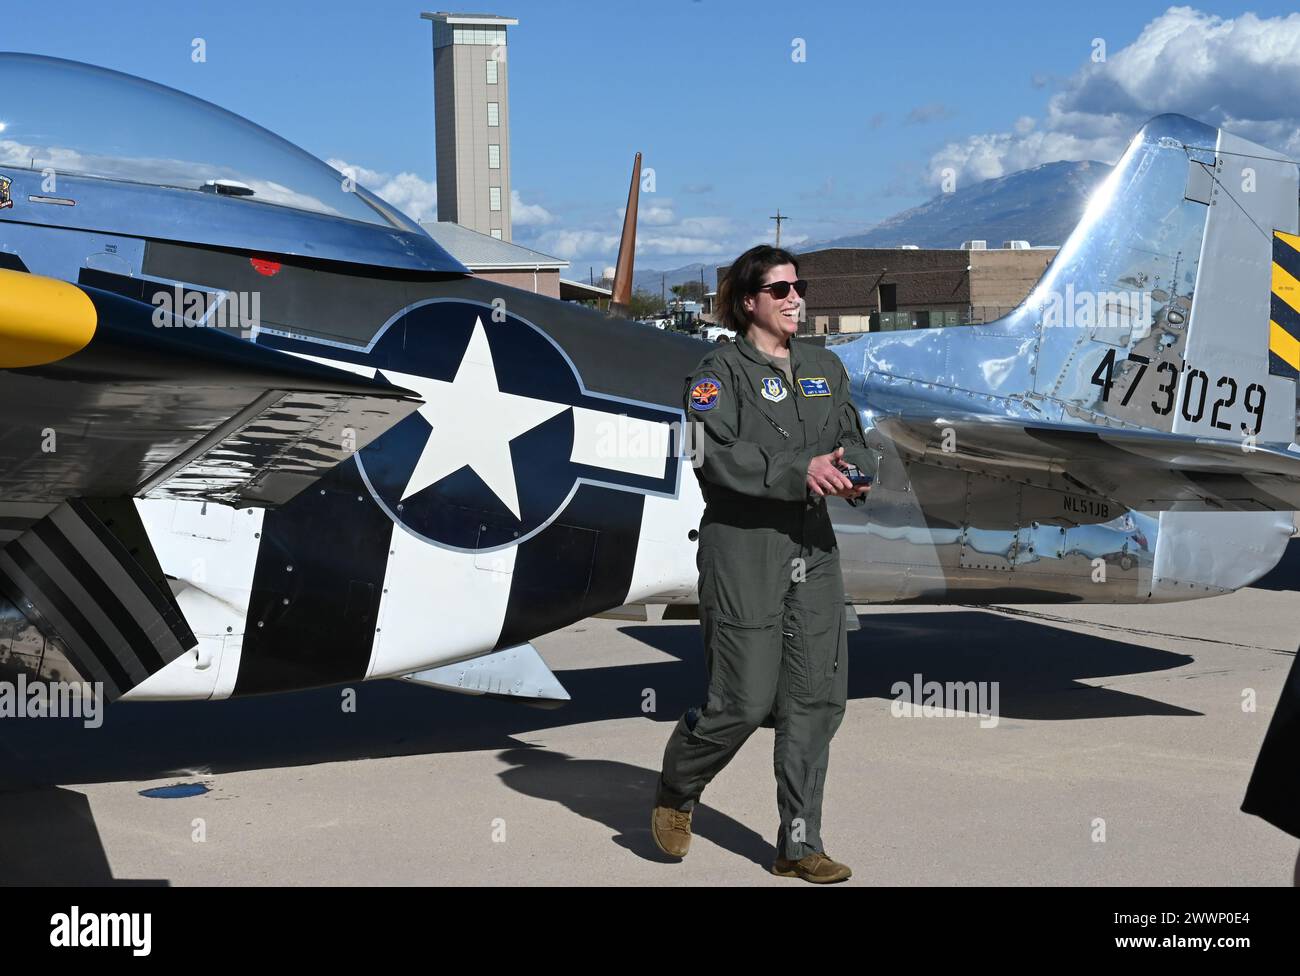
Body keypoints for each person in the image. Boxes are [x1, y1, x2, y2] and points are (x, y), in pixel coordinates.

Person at [651, 244, 878, 883]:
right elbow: (711, 456)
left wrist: (855, 474)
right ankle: (677, 784)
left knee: (816, 698)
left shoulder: (824, 366)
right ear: (749, 301)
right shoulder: (714, 373)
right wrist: (797, 470)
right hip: (745, 547)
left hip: (813, 546)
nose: (795, 298)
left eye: (798, 286)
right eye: (780, 290)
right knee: (744, 700)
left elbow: (854, 439)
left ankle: (798, 845)